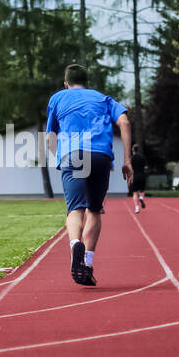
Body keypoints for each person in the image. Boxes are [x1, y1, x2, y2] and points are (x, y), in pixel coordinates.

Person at [46, 63, 132, 286]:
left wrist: (60, 158)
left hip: (73, 155)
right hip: (101, 155)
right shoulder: (102, 98)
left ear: (66, 84)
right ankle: (87, 263)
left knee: (75, 209)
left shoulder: (57, 98)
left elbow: (50, 137)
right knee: (95, 210)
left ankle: (76, 244)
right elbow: (124, 121)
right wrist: (127, 160)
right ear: (86, 82)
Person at [129, 143, 147, 212]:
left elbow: (130, 168)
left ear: (133, 150)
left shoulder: (131, 158)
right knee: (142, 190)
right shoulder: (142, 157)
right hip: (142, 176)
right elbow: (145, 167)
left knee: (134, 192)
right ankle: (141, 198)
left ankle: (137, 208)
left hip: (135, 176)